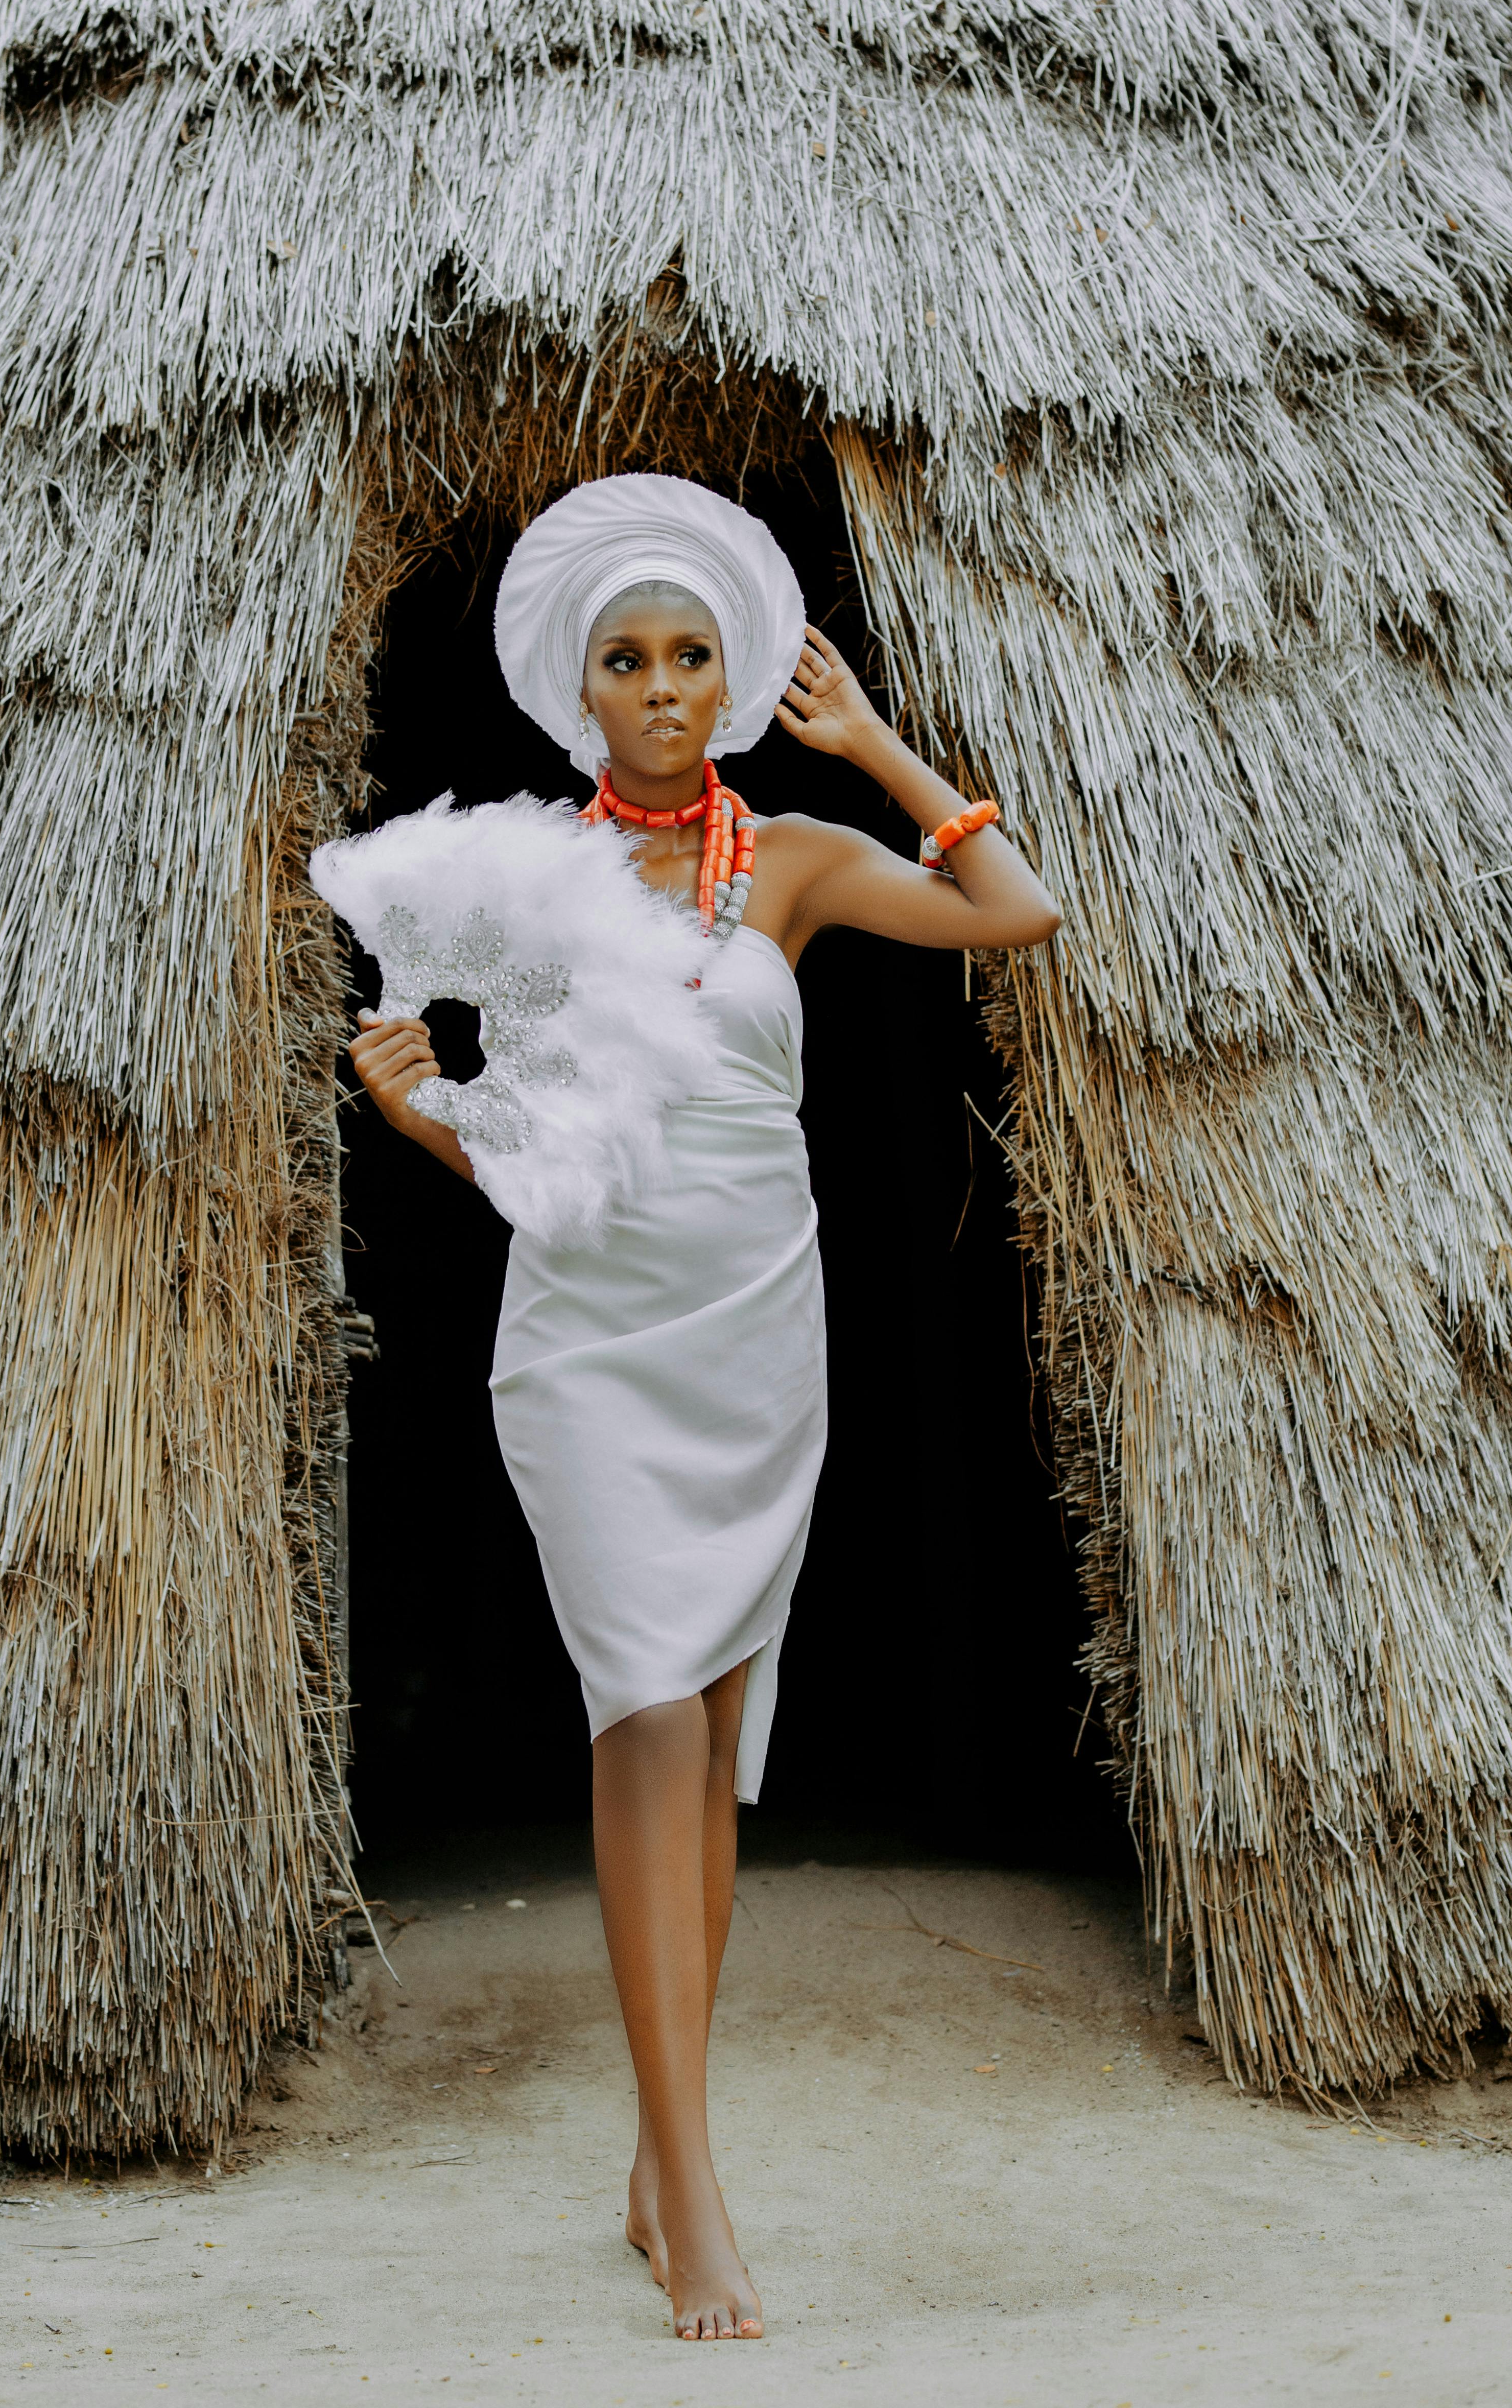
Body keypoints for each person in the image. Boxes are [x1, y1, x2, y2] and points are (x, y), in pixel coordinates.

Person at [348, 476, 1059, 2340]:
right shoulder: (523, 883)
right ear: (579, 693)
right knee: (646, 1718)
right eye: (626, 661)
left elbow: (1022, 912)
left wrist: (881, 745)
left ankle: (658, 2174)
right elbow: (522, 1153)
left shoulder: (802, 860)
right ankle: (701, 2184)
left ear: (732, 679)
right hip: (590, 1344)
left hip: (756, 1331)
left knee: (719, 1746)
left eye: (691, 658)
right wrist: (422, 1105)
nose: (662, 686)